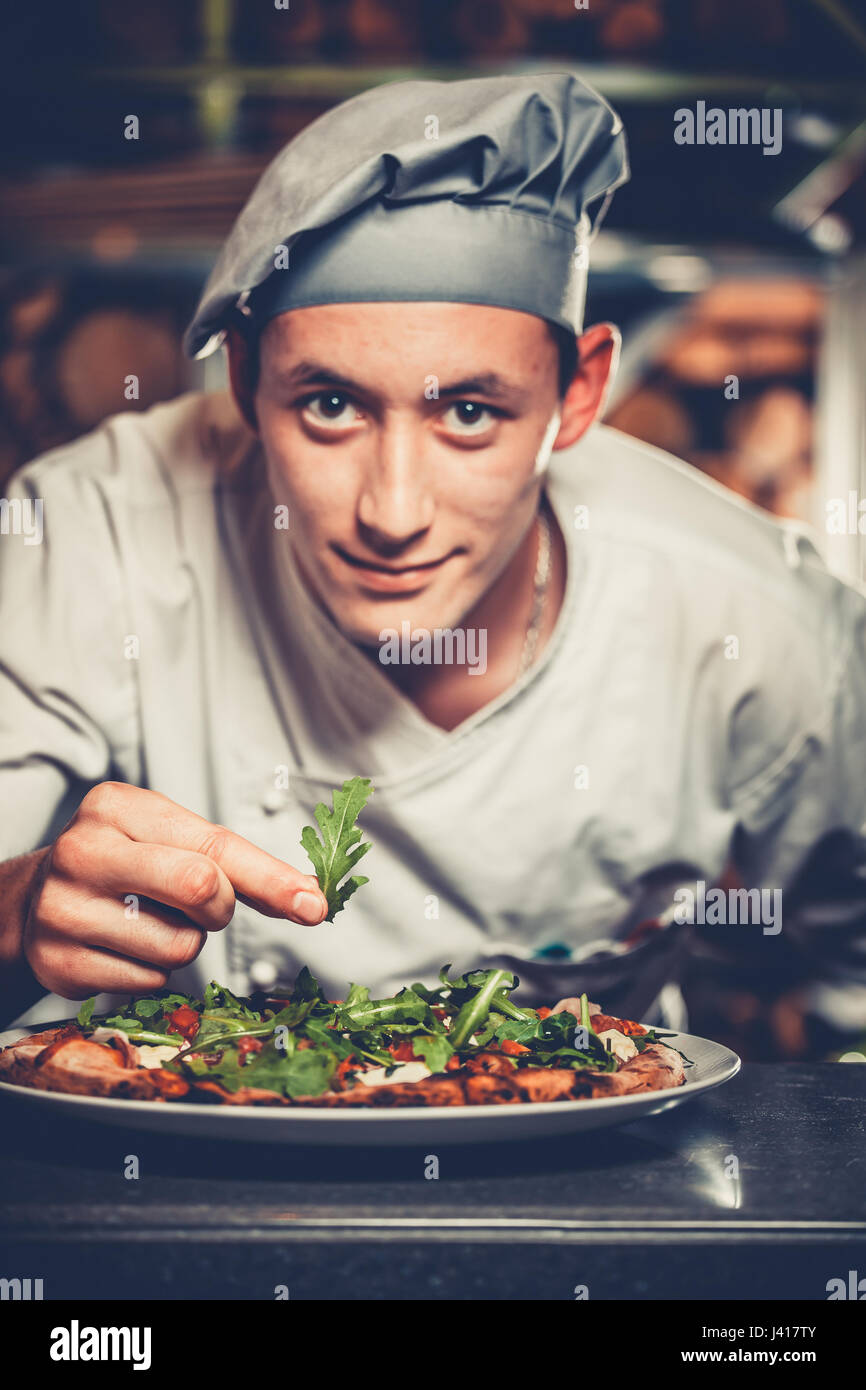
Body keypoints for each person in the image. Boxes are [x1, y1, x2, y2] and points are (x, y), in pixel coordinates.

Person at [1, 73, 864, 1037]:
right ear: (244, 384)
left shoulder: (759, 621)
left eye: (469, 412)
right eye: (330, 405)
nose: (394, 511)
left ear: (578, 396)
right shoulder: (94, 527)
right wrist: (27, 900)